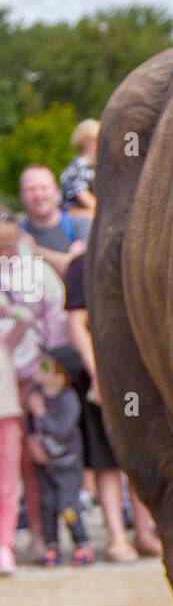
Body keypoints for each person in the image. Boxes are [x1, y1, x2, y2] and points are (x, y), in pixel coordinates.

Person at [64, 251, 161, 560]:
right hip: (100, 379)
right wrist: (98, 374)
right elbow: (77, 323)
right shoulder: (83, 264)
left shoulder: (135, 256)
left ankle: (145, 532)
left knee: (139, 454)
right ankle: (117, 536)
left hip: (138, 376)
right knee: (106, 460)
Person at [0, 210, 70, 559]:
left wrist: (43, 381)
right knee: (8, 460)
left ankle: (43, 534)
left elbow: (55, 328)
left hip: (34, 377)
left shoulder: (38, 273)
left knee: (36, 457)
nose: (5, 252)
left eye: (8, 244)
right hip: (2, 379)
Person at [26, 345, 94, 566]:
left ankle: (81, 543)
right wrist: (32, 442)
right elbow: (29, 423)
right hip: (45, 462)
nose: (40, 367)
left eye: (47, 365)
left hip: (67, 463)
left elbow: (62, 430)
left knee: (68, 505)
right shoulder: (35, 394)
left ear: (60, 375)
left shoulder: (68, 399)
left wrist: (41, 413)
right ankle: (52, 545)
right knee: (47, 504)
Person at [0, 293, 35, 575]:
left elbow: (26, 318)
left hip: (7, 415)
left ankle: (4, 546)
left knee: (8, 484)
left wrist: (6, 307)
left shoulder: (4, 341)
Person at [19, 165, 89, 280]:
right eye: (31, 189)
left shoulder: (80, 225)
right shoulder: (16, 232)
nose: (38, 195)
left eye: (44, 188)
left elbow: (74, 269)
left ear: (57, 192)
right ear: (21, 196)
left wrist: (33, 250)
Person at [59, 119, 99, 222]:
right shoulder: (78, 170)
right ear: (93, 144)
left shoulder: (88, 169)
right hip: (74, 221)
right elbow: (94, 205)